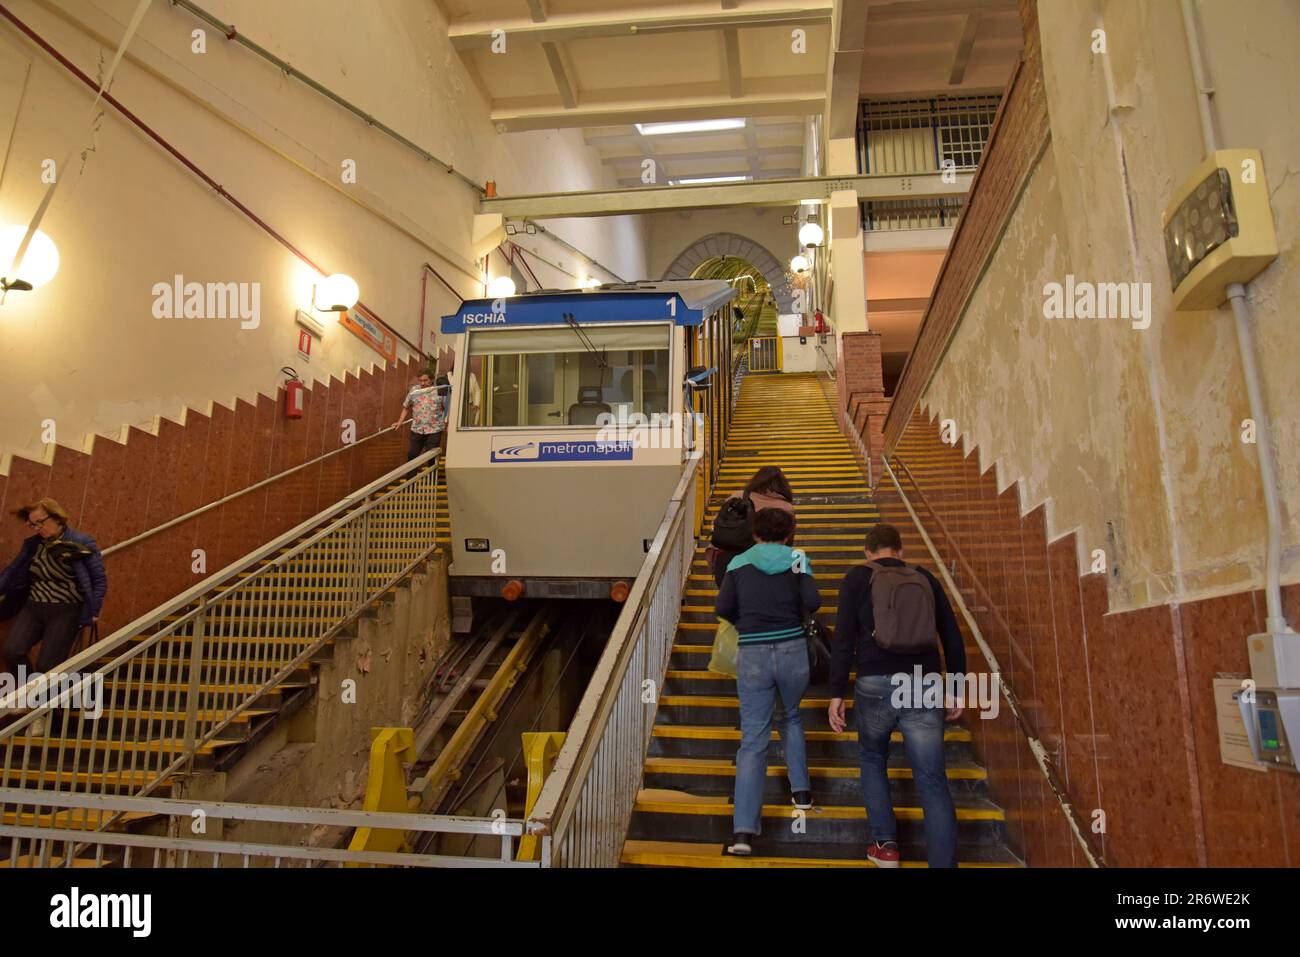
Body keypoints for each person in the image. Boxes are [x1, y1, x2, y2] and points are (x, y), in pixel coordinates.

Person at [828, 523, 966, 868]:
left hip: (874, 681)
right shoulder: (925, 578)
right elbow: (951, 635)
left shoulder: (856, 579)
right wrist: (957, 687)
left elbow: (843, 641)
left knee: (873, 758)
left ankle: (885, 846)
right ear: (901, 551)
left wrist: (836, 693)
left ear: (867, 552)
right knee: (933, 779)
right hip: (924, 682)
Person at [715, 507, 820, 857]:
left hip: (754, 653)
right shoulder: (797, 558)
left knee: (753, 741)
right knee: (790, 716)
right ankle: (801, 793)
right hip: (792, 650)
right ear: (789, 533)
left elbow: (724, 607)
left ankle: (743, 833)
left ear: (754, 532)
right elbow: (813, 602)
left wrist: (750, 619)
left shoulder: (738, 563)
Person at [0, 498, 107, 676]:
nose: (38, 528)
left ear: (56, 517)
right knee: (12, 651)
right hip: (34, 606)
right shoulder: (33, 545)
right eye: (33, 525)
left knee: (47, 665)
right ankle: (32, 693)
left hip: (66, 609)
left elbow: (99, 579)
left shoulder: (81, 542)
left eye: (41, 522)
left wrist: (93, 610)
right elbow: (12, 571)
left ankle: (43, 700)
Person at [710, 465, 796, 587]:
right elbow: (787, 544)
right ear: (782, 485)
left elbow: (720, 525)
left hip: (726, 562)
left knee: (729, 602)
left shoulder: (737, 497)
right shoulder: (785, 508)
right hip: (763, 567)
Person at [394, 371, 449, 461]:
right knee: (412, 454)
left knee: (431, 457)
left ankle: (430, 474)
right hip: (417, 428)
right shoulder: (414, 391)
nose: (423, 383)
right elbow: (406, 407)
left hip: (434, 429)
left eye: (425, 380)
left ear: (431, 380)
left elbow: (447, 409)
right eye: (420, 380)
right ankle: (411, 475)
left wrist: (448, 425)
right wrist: (399, 422)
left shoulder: (439, 390)